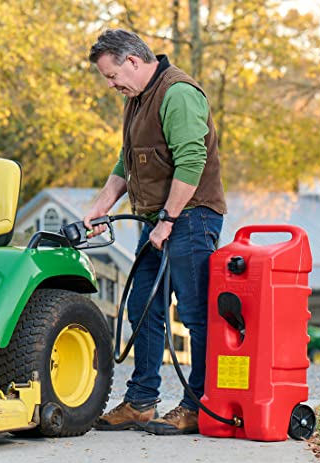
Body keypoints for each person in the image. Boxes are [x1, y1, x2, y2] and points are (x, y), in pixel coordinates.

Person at [85, 29, 227, 435]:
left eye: (112, 76)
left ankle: (199, 404)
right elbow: (125, 163)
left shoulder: (178, 93)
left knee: (196, 314)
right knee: (143, 306)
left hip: (191, 217)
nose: (111, 86)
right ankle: (141, 401)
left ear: (132, 61)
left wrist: (167, 220)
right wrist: (100, 207)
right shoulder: (137, 98)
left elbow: (191, 160)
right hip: (156, 221)